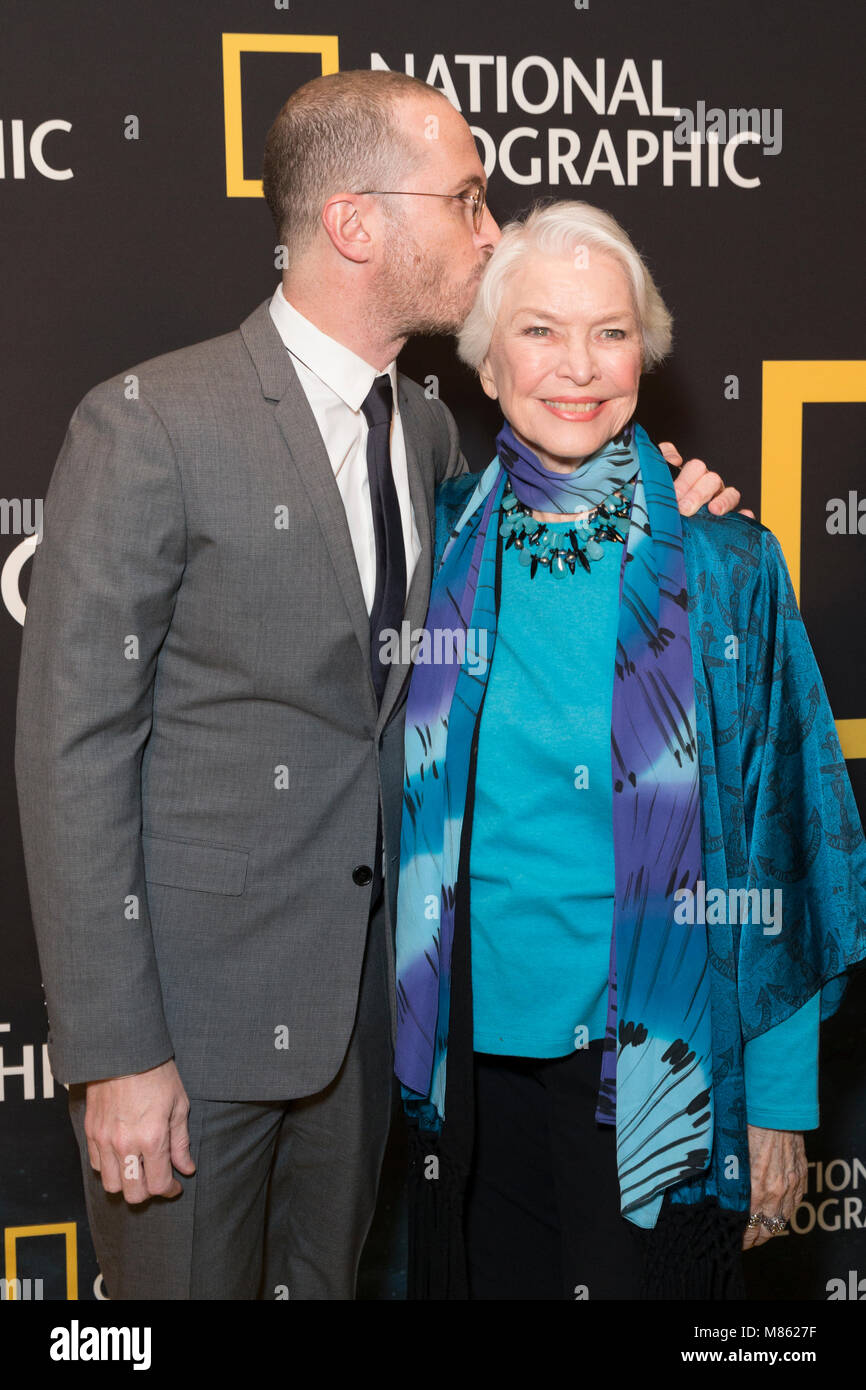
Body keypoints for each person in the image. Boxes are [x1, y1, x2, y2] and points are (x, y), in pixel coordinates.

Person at [14, 74, 741, 1302]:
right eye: (463, 198)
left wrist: (672, 506)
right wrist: (116, 1057)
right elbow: (70, 755)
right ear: (355, 224)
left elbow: (559, 510)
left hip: (376, 1039)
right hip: (192, 1044)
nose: (490, 230)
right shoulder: (152, 426)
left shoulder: (426, 435)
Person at [395, 199, 866, 1301]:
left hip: (664, 1076)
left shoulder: (723, 565)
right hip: (463, 1075)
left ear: (643, 358)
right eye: (539, 330)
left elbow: (784, 836)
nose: (576, 365)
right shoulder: (431, 543)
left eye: (608, 332)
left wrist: (780, 1105)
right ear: (486, 362)